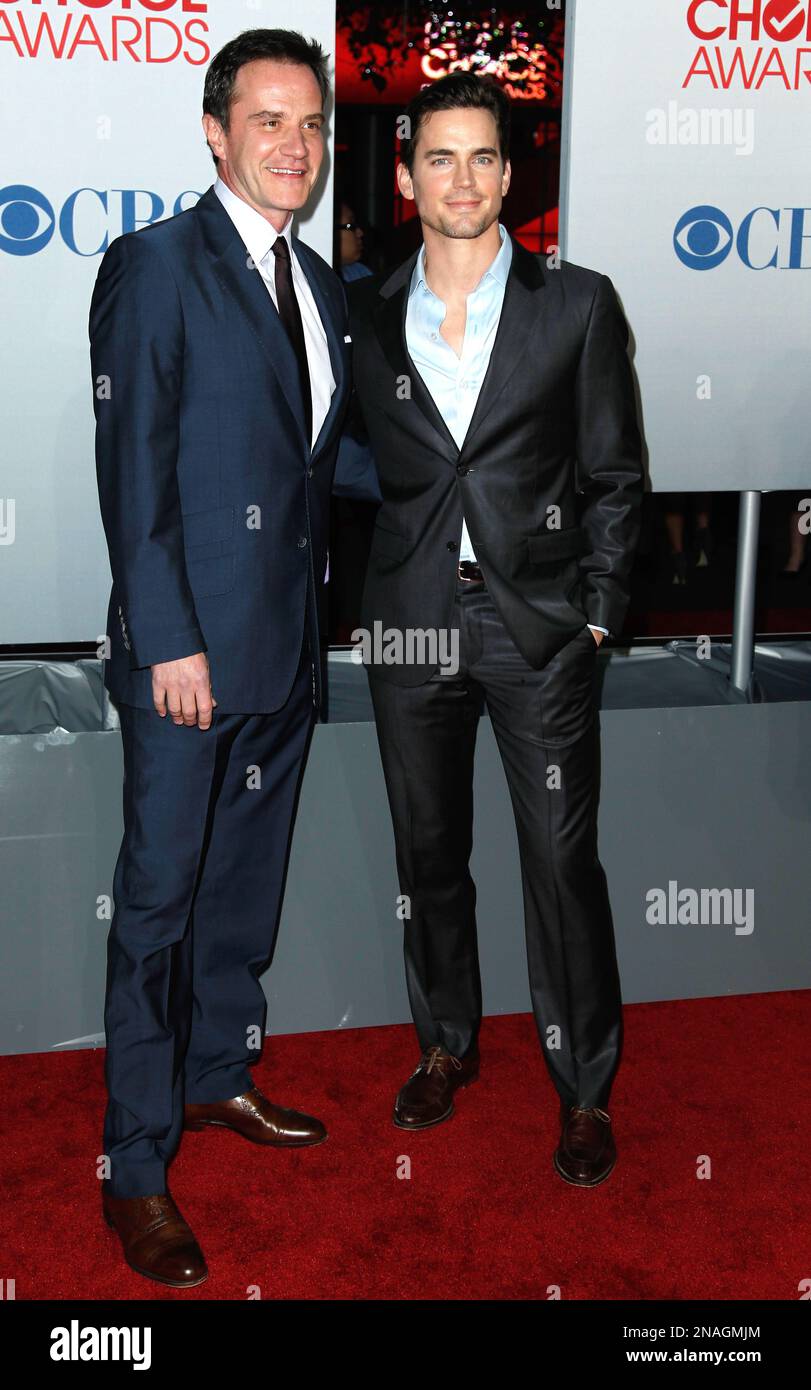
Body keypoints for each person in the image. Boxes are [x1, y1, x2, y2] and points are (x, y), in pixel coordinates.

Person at [347, 73, 644, 1187]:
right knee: (428, 856)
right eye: (438, 157)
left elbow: (617, 472)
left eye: (481, 158)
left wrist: (602, 616)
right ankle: (445, 1043)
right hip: (411, 624)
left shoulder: (577, 302)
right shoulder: (366, 310)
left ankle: (583, 1089)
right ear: (406, 173)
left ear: (509, 177)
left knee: (561, 863)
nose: (460, 178)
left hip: (539, 629)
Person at [90, 28, 351, 1287]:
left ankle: (216, 1078)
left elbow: (329, 467)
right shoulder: (153, 267)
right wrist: (170, 638)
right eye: (267, 122)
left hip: (285, 656)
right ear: (214, 130)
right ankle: (135, 1168)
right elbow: (130, 468)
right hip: (187, 664)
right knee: (154, 910)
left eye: (310, 126)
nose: (293, 147)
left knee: (242, 895)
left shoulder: (322, 283)